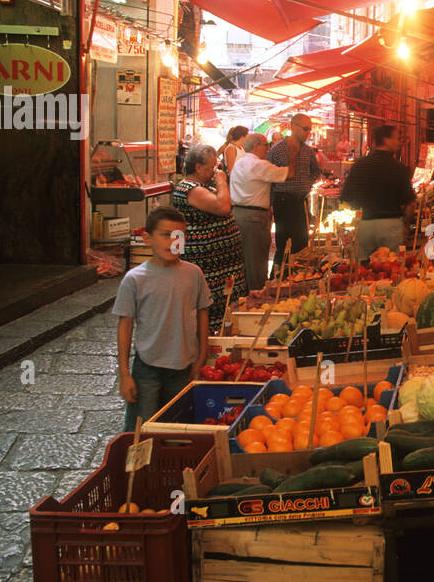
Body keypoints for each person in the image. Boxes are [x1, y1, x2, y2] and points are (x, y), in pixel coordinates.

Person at [114, 206, 213, 432]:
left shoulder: (193, 274)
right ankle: (138, 468)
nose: (173, 241)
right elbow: (125, 325)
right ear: (147, 238)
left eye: (179, 235)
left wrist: (201, 355)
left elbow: (202, 312)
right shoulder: (134, 279)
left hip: (183, 366)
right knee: (142, 428)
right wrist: (125, 374)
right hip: (147, 367)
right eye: (166, 234)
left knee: (177, 425)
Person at [172, 142, 246, 331]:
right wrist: (221, 179)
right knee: (211, 311)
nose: (215, 170)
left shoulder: (203, 186)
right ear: (197, 167)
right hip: (208, 269)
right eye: (211, 166)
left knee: (227, 311)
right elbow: (222, 207)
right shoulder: (189, 188)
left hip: (223, 268)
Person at [230, 133, 298, 291]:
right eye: (265, 145)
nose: (268, 148)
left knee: (244, 262)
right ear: (255, 146)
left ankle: (244, 297)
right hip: (254, 218)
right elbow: (290, 174)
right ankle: (256, 300)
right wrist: (293, 153)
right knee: (257, 264)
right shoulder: (258, 165)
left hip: (238, 215)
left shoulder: (239, 162)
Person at [341, 124, 417, 261]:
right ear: (386, 140)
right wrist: (405, 224)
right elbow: (410, 203)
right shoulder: (399, 168)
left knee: (363, 271)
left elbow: (346, 198)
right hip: (391, 227)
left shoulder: (359, 165)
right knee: (391, 270)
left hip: (365, 225)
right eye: (397, 139)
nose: (399, 143)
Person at [267, 113, 327, 274]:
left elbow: (316, 170)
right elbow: (268, 176)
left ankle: (297, 276)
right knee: (283, 243)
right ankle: (278, 277)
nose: (308, 133)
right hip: (283, 201)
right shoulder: (277, 149)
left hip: (300, 201)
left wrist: (306, 184)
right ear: (293, 127)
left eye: (310, 130)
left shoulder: (308, 151)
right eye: (305, 129)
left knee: (301, 243)